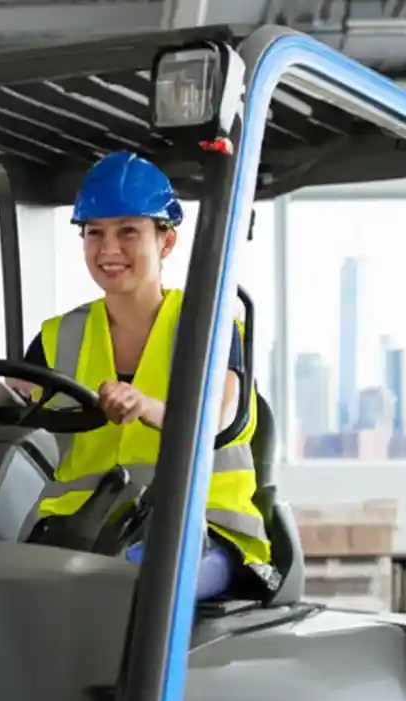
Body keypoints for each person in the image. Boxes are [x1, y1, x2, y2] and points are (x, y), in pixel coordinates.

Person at [16, 151, 275, 601]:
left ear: (166, 242)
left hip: (200, 529)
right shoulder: (59, 335)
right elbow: (20, 403)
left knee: (136, 584)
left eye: (128, 232)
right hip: (81, 528)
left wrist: (146, 407)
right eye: (94, 233)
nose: (108, 249)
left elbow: (217, 418)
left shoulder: (208, 326)